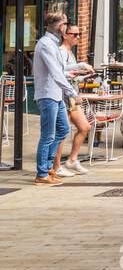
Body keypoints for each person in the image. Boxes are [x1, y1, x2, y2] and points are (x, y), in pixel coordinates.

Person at [33, 13, 78, 185]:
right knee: (48, 135)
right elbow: (55, 72)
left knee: (63, 129)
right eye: (66, 24)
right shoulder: (45, 45)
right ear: (61, 27)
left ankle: (50, 168)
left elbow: (60, 69)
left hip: (56, 94)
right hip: (47, 95)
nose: (68, 27)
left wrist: (78, 67)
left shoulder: (52, 44)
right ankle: (42, 173)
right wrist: (73, 93)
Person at [52, 22, 95, 177]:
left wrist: (85, 75)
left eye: (79, 34)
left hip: (72, 96)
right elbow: (60, 71)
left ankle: (72, 159)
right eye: (74, 35)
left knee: (84, 127)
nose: (78, 37)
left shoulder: (70, 52)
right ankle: (56, 166)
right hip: (64, 97)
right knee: (62, 131)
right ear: (65, 35)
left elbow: (71, 76)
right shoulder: (61, 51)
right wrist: (81, 65)